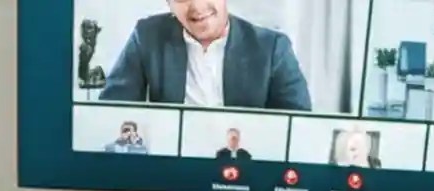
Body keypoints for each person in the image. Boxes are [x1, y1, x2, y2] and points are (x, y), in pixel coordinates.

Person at [100, 0, 312, 111]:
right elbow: (111, 110)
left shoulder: (273, 48)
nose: (197, 6)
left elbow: (299, 124)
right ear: (169, 4)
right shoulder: (146, 35)